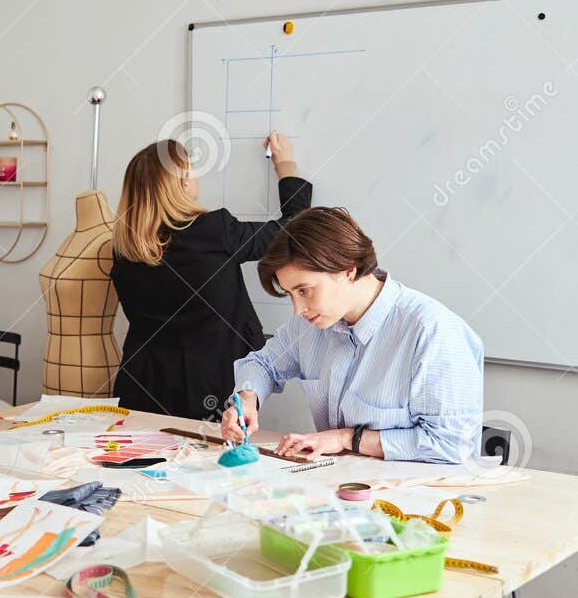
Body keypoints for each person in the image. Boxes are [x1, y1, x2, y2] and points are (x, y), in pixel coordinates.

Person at [221, 206, 484, 463]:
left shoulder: (432, 331)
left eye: (304, 291)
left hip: (422, 496)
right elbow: (263, 364)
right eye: (290, 295)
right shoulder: (310, 323)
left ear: (348, 270)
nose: (298, 309)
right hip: (342, 486)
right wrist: (247, 398)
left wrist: (348, 439)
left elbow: (452, 444)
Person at [110, 133, 312, 420]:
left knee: (143, 463)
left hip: (142, 386)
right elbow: (294, 230)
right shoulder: (214, 231)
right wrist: (286, 166)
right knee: (209, 463)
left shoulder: (123, 249)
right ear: (181, 182)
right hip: (209, 391)